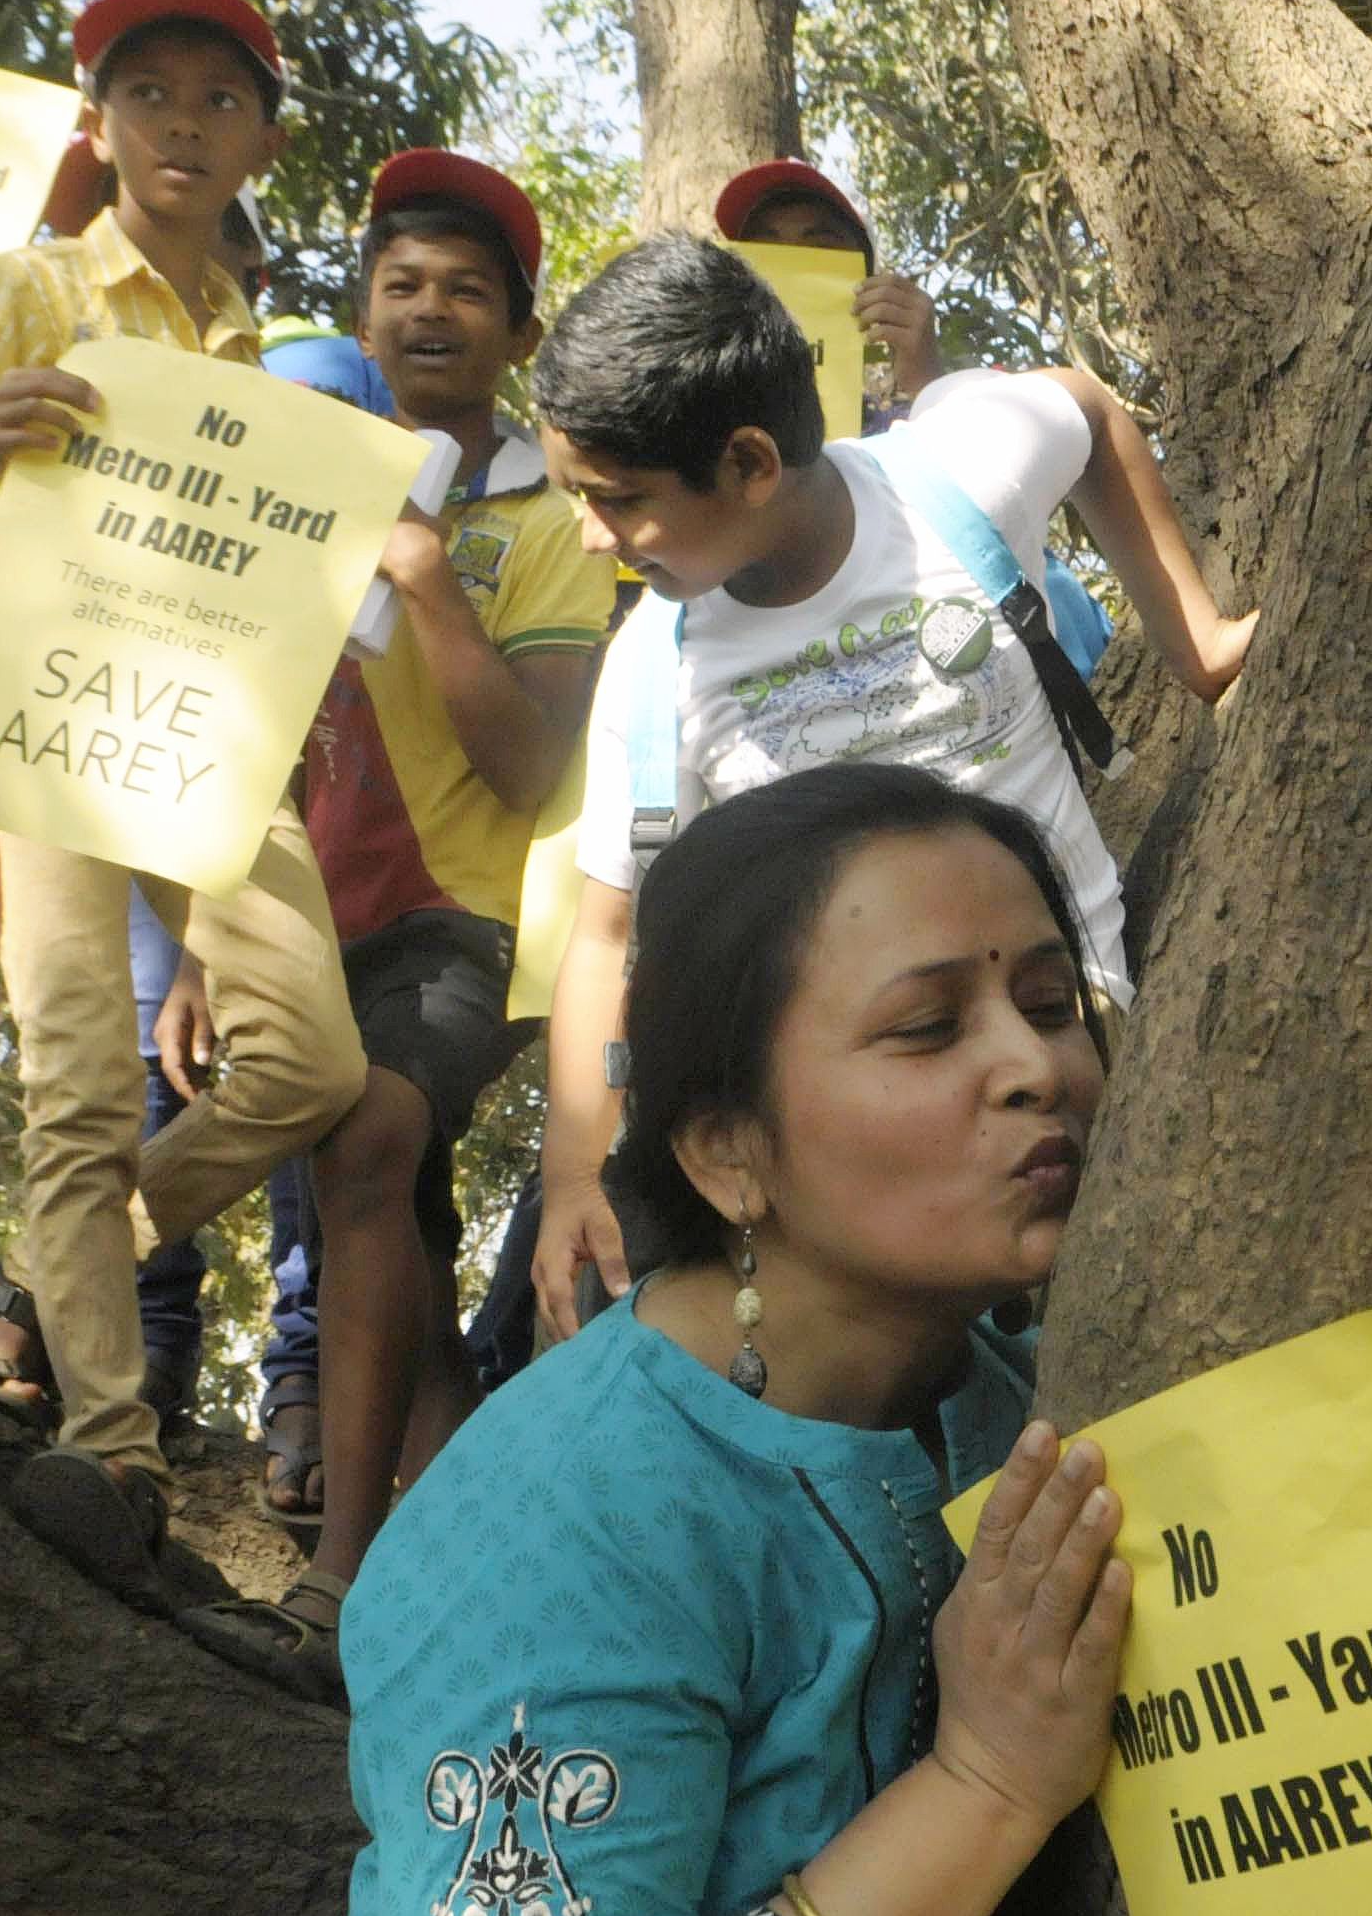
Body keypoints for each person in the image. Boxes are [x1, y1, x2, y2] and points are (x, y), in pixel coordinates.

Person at [106, 764, 1122, 1916]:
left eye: (1051, 1003)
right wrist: (982, 1784)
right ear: (728, 1153)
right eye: (928, 1024)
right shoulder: (583, 1512)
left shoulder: (999, 1410)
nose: (1031, 1067)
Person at [0, 0, 367, 1604]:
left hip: (210, 724)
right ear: (99, 124)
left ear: (262, 139)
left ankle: (52, 1269)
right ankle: (113, 1445)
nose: (184, 125)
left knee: (306, 1060)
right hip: (52, 714)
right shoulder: (24, 288)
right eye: (150, 95)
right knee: (73, 1092)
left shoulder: (258, 345)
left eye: (219, 100)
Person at [521, 236, 1257, 1346]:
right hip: (844, 1099)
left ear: (752, 464)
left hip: (1053, 1030)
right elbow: (605, 933)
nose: (592, 536)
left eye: (619, 501)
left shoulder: (954, 477)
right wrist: (574, 1170)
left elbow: (1089, 408)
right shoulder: (656, 668)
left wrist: (1193, 641)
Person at [179, 151, 619, 1698]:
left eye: (468, 291)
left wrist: (431, 584)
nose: (431, 309)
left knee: (367, 1142)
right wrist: (201, 939)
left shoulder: (556, 518)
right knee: (394, 1223)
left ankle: (341, 1578)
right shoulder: (290, 490)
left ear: (514, 333)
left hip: (483, 916)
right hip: (316, 913)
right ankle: (457, 1562)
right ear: (365, 318)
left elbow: (536, 765)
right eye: (402, 285)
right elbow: (239, 722)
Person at [715, 157, 947, 405]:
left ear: (869, 283)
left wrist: (927, 383)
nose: (792, 267)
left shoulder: (886, 435)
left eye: (819, 249)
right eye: (764, 250)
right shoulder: (695, 422)